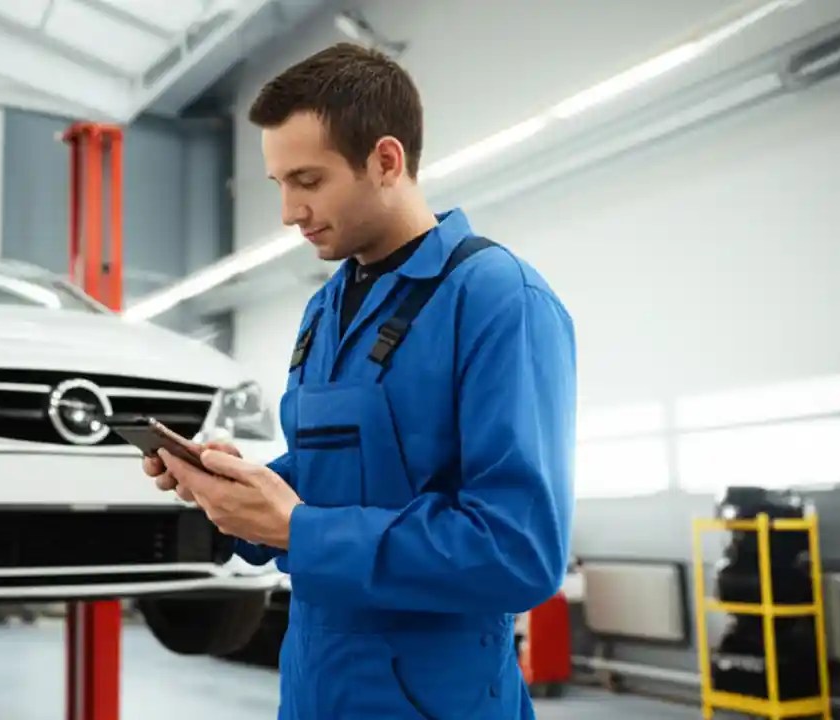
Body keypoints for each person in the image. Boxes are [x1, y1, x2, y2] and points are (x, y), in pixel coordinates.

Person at [143, 42, 576, 719]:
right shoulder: (328, 308)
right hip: (317, 682)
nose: (288, 211)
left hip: (436, 698)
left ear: (385, 161)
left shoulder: (497, 300)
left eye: (307, 181)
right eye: (278, 184)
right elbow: (337, 474)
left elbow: (518, 553)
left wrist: (301, 530)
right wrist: (238, 495)